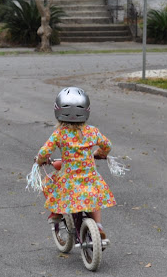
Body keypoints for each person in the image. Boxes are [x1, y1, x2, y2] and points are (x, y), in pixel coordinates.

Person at [34, 87, 116, 243]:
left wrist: (39, 160)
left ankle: (57, 212)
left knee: (49, 183)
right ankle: (98, 226)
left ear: (58, 111)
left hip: (69, 179)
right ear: (87, 110)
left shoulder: (59, 134)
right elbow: (107, 145)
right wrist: (101, 153)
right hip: (89, 178)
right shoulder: (92, 131)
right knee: (93, 199)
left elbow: (45, 152)